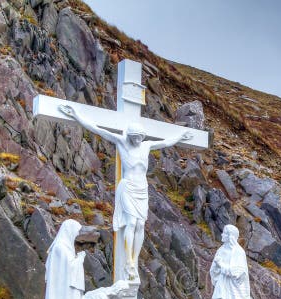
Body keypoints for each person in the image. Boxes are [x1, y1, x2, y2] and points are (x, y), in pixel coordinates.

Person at [58, 104, 195, 280]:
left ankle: (134, 260)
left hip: (142, 189)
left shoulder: (146, 146)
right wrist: (77, 115)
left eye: (139, 137)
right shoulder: (122, 142)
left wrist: (181, 135)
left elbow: (166, 142)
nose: (136, 140)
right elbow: (97, 129)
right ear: (129, 136)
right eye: (134, 137)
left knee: (140, 225)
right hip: (128, 187)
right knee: (131, 223)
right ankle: (129, 260)